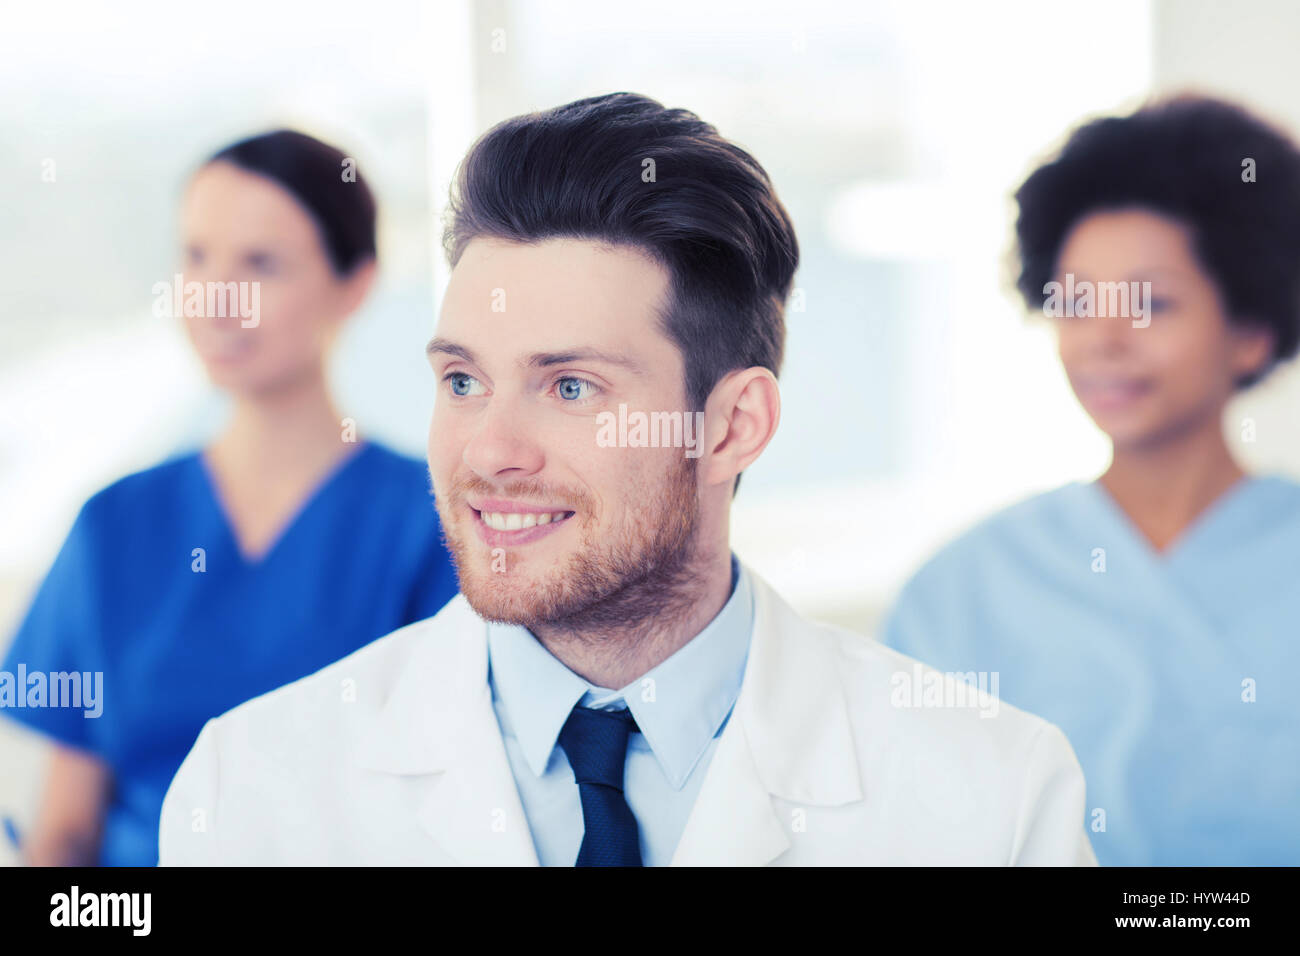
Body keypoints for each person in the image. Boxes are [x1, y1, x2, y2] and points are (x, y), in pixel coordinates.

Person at [159, 94, 1095, 866]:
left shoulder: (996, 802)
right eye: (463, 382)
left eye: (570, 387)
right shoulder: (252, 791)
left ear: (733, 425)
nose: (490, 452)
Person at [1, 129, 459, 867]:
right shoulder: (115, 528)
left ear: (357, 282)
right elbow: (64, 835)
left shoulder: (429, 526)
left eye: (261, 264)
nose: (217, 299)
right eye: (196, 256)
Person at [884, 95, 1300, 866]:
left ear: (1250, 333)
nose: (1104, 341)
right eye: (1077, 303)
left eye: (1150, 303)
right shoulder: (963, 590)